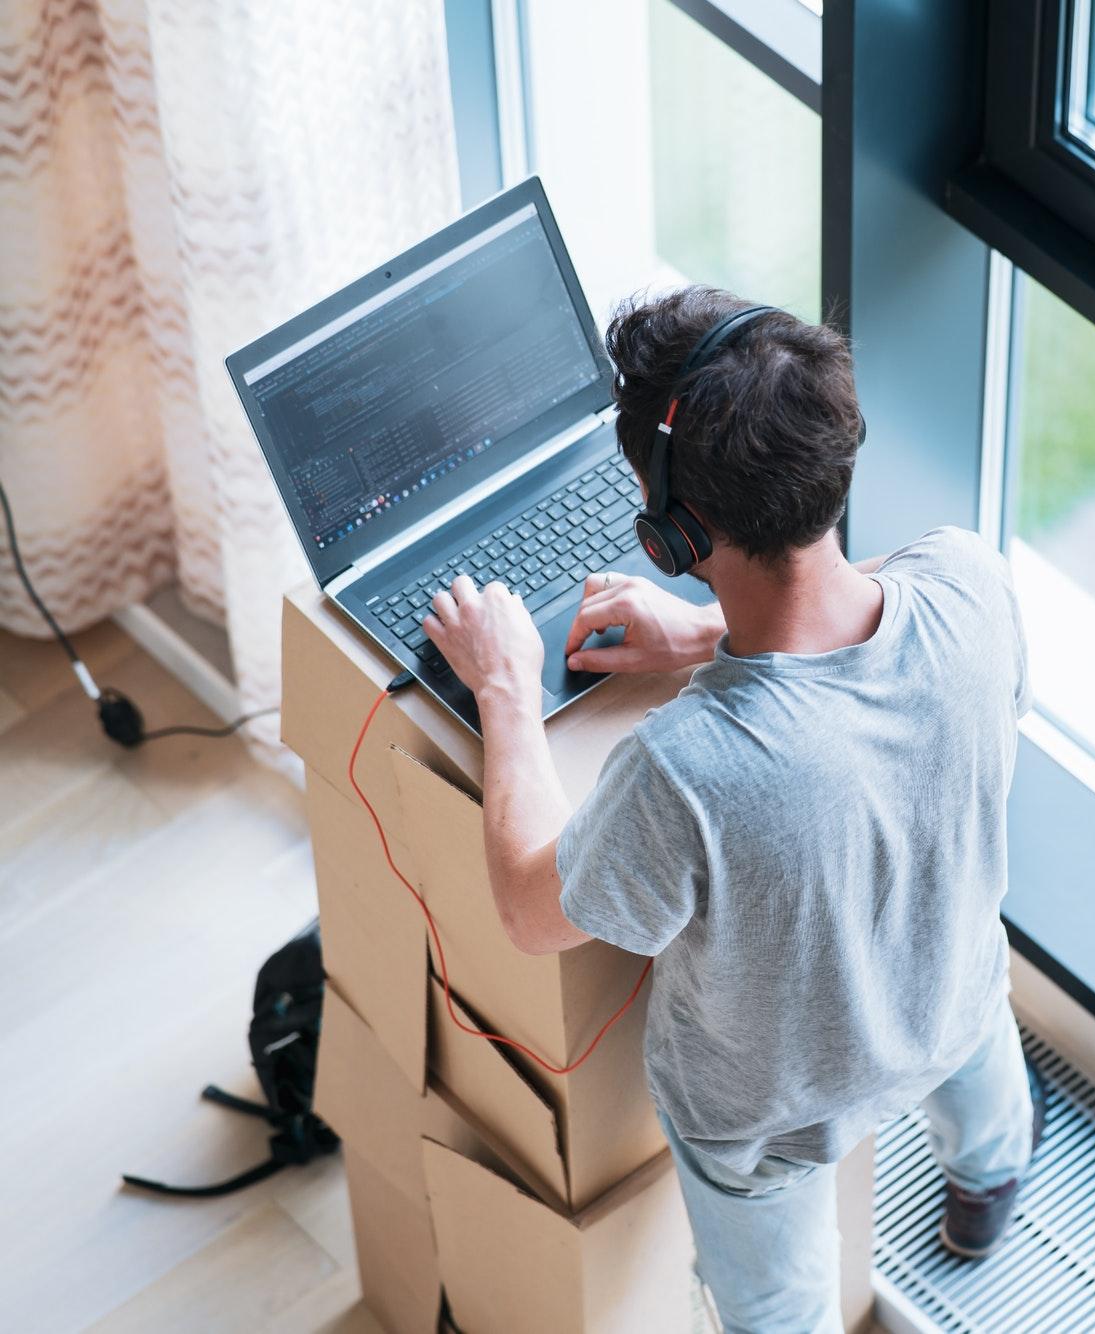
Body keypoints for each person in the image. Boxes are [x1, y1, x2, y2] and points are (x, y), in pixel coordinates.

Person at [418, 285, 1044, 1332]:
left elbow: (532, 911)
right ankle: (986, 1189)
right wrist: (706, 633)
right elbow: (849, 645)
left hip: (771, 1120)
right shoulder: (970, 580)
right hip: (950, 993)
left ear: (672, 532)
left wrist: (505, 693)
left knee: (778, 1306)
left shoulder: (689, 766)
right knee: (984, 1100)